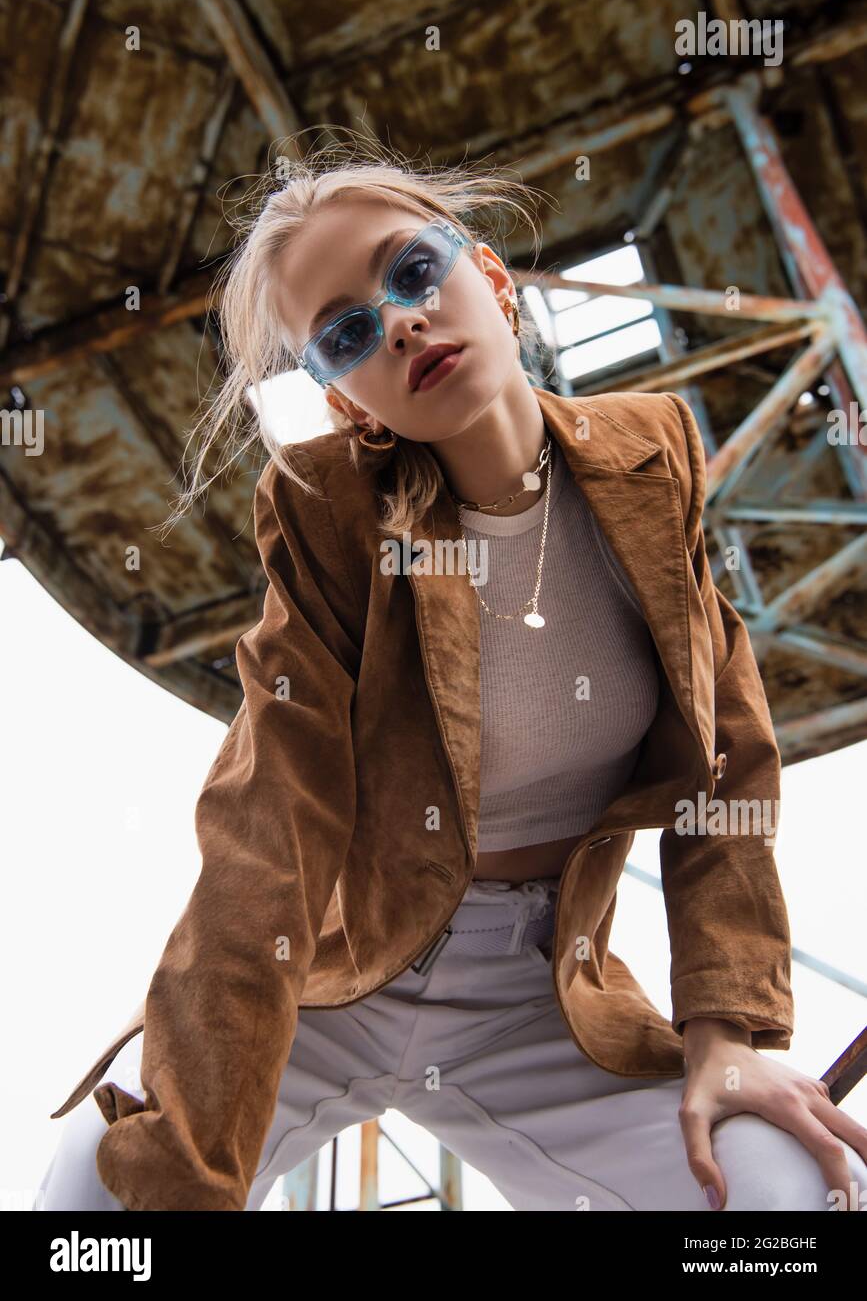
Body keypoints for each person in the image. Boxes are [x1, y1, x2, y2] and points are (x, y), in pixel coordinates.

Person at [36, 132, 867, 1212]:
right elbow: (266, 829)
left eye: (412, 271)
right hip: (334, 976)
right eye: (345, 334)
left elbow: (729, 762)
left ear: (490, 274)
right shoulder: (327, 516)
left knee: (782, 1193)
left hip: (541, 994)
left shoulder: (653, 461)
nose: (397, 320)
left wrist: (728, 1031)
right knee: (97, 1200)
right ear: (348, 401)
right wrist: (182, 1175)